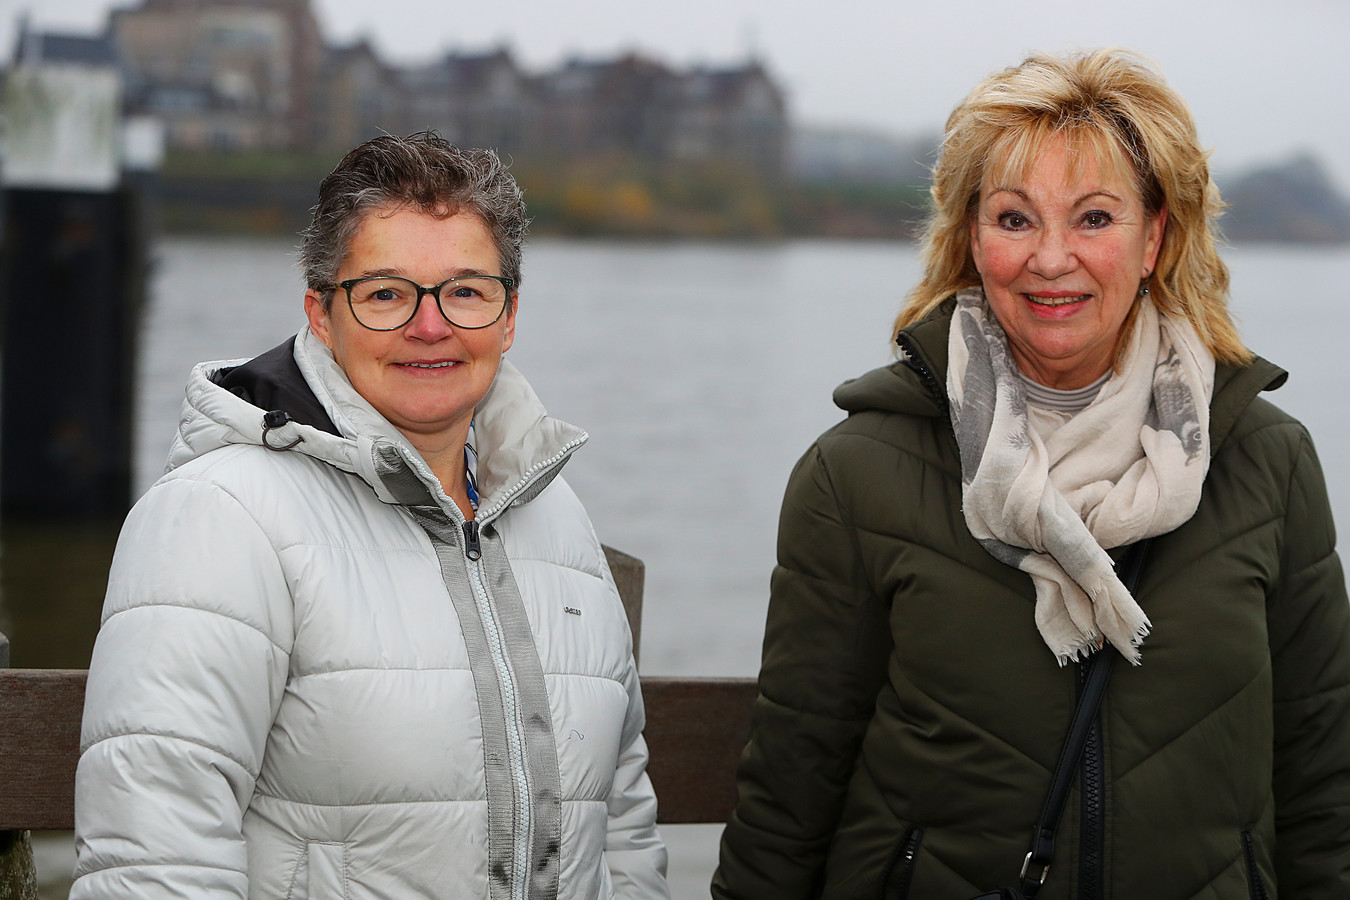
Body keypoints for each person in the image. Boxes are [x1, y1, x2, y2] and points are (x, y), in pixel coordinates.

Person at [713, 49, 1350, 899]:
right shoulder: (857, 473)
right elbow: (794, 783)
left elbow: (1321, 779)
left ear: (1156, 235)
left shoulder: (1268, 464)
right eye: (1014, 219)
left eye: (1094, 218)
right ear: (972, 239)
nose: (1051, 259)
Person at [72, 132, 669, 899]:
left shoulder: (557, 517)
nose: (431, 326)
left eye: (466, 290)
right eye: (385, 293)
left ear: (509, 315)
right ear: (322, 314)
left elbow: (621, 828)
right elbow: (153, 860)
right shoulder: (218, 518)